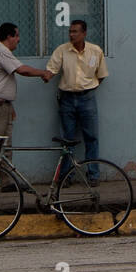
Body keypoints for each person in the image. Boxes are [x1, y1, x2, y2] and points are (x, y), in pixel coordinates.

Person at [0, 22, 52, 193]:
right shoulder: (0, 52)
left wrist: (9, 105)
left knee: (4, 147)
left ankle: (6, 182)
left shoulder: (2, 52)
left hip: (2, 107)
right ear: (9, 37)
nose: (18, 40)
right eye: (17, 36)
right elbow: (22, 70)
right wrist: (43, 73)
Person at [45, 19, 108, 179]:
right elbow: (51, 69)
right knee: (67, 140)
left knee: (91, 137)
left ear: (84, 33)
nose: (72, 35)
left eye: (75, 32)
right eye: (70, 32)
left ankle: (93, 175)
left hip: (87, 98)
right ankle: (66, 177)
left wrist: (87, 88)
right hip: (67, 99)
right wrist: (45, 75)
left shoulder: (95, 51)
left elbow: (101, 76)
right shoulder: (62, 50)